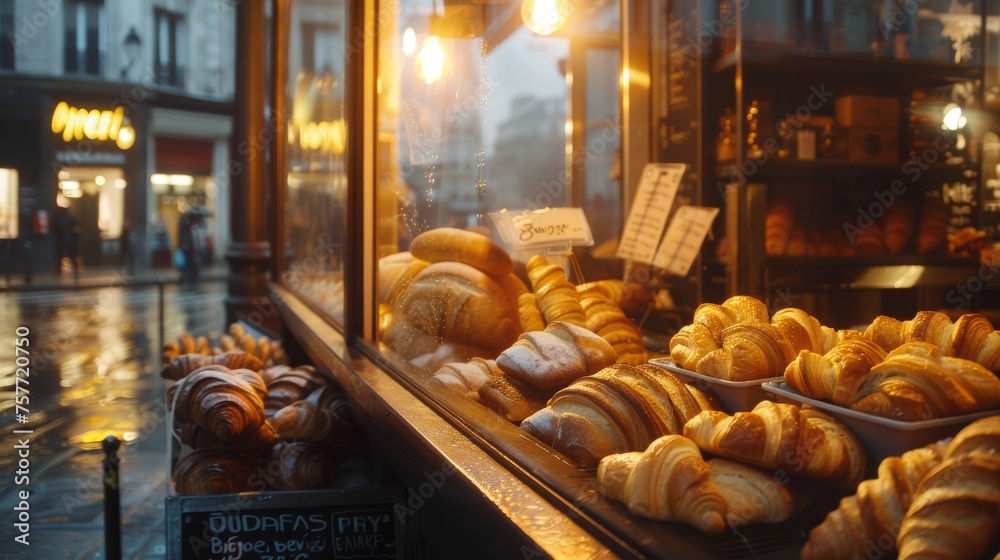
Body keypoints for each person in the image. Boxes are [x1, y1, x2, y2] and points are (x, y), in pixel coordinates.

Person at [52, 206, 80, 281]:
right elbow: (76, 227)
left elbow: (53, 228)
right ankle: (76, 272)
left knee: (59, 257)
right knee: (72, 258)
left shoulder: (58, 217)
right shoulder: (71, 217)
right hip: (69, 240)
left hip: (60, 241)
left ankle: (58, 273)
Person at [177, 209, 200, 289]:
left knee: (190, 265)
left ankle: (189, 280)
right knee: (189, 264)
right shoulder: (187, 225)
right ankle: (189, 281)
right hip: (188, 248)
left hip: (189, 248)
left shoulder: (188, 225)